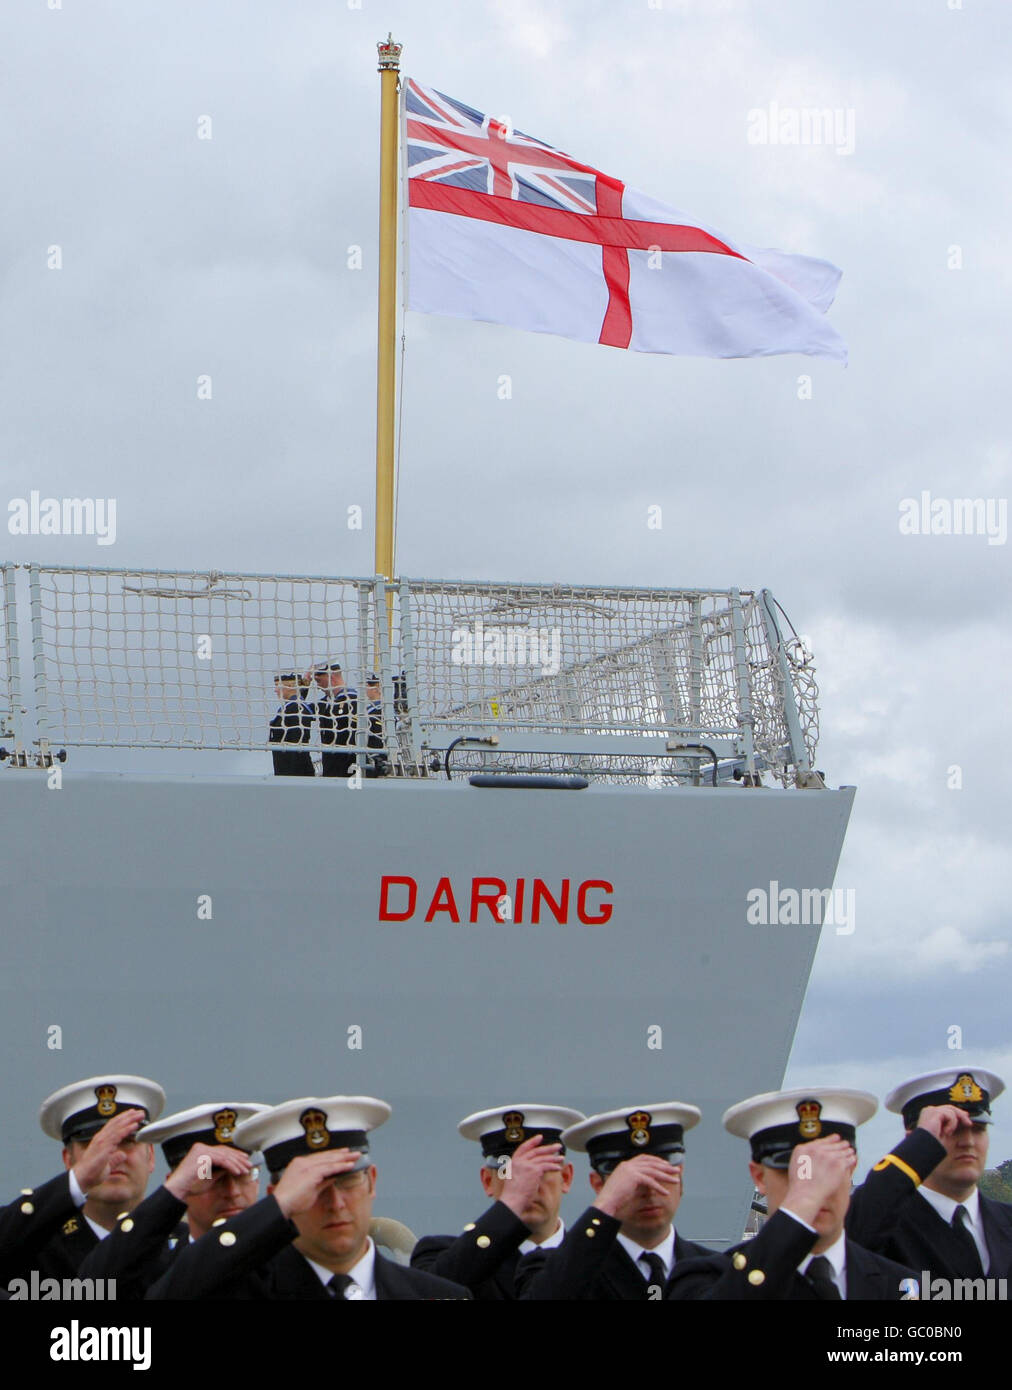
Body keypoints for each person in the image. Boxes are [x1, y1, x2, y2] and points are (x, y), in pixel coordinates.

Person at [146, 1096, 469, 1299]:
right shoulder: (237, 1290)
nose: (336, 1204)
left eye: (347, 1181)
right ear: (281, 1198)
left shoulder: (437, 1296)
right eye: (313, 1188)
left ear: (372, 1181)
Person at [667, 1087, 915, 1300]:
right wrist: (802, 1203)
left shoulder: (903, 1286)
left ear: (851, 1167)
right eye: (792, 1171)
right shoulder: (706, 1279)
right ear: (759, 1176)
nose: (814, 1186)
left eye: (827, 1168)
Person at [517, 1102, 712, 1299]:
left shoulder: (714, 1272)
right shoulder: (557, 1270)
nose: (649, 1190)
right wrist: (605, 1206)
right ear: (598, 1185)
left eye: (659, 1173)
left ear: (680, 1174)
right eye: (632, 1181)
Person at [77, 1102, 267, 1298]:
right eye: (213, 1180)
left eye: (243, 1175)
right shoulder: (153, 1269)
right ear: (182, 1187)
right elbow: (91, 1288)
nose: (232, 1192)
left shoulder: (277, 1261)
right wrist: (173, 1190)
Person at [847, 1067, 1012, 1281]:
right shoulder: (887, 1226)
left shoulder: (1006, 1221)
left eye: (978, 1129)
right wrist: (919, 1147)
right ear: (916, 1140)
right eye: (952, 1129)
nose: (968, 1142)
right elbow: (853, 1232)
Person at [4, 1075, 164, 1285]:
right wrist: (78, 1180)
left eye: (127, 1141)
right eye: (94, 1145)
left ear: (151, 1156)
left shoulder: (182, 1246)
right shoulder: (38, 1247)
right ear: (68, 1160)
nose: (113, 1156)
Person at [411, 1104, 583, 1298]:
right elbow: (430, 1291)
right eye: (509, 1172)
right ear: (487, 1181)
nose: (529, 1185)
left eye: (541, 1169)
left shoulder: (594, 1260)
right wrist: (511, 1203)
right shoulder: (443, 1255)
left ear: (566, 1178)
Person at [313, 662, 358, 779]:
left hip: (347, 770)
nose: (318, 686)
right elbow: (300, 710)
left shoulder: (352, 700)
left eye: (319, 681)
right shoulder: (325, 703)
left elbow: (355, 736)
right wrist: (304, 683)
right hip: (331, 768)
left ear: (330, 677)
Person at [268, 672, 315, 776]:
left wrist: (291, 777)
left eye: (277, 686)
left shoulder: (295, 708)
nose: (275, 690)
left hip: (294, 773)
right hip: (286, 771)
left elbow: (297, 744)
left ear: (289, 686)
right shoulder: (291, 707)